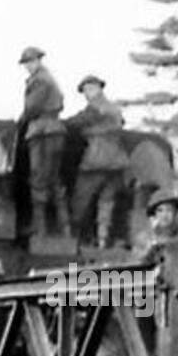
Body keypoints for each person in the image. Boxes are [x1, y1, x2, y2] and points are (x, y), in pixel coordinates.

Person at [66, 74, 127, 247]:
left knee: (80, 200)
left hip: (96, 162)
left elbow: (75, 122)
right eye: (85, 91)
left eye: (89, 89)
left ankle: (73, 240)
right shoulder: (115, 108)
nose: (87, 93)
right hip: (117, 163)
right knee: (106, 202)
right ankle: (102, 240)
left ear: (99, 88)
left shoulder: (95, 108)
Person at [17, 46, 70, 237]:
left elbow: (32, 107)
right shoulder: (50, 80)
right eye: (27, 63)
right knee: (54, 180)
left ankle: (41, 230)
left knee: (39, 179)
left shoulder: (39, 80)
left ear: (39, 61)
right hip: (54, 130)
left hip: (42, 132)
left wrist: (21, 122)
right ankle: (65, 229)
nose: (29, 66)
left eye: (31, 62)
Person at [142, 187, 178, 261]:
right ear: (154, 214)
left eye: (169, 210)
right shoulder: (147, 238)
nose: (164, 215)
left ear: (175, 212)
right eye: (160, 210)